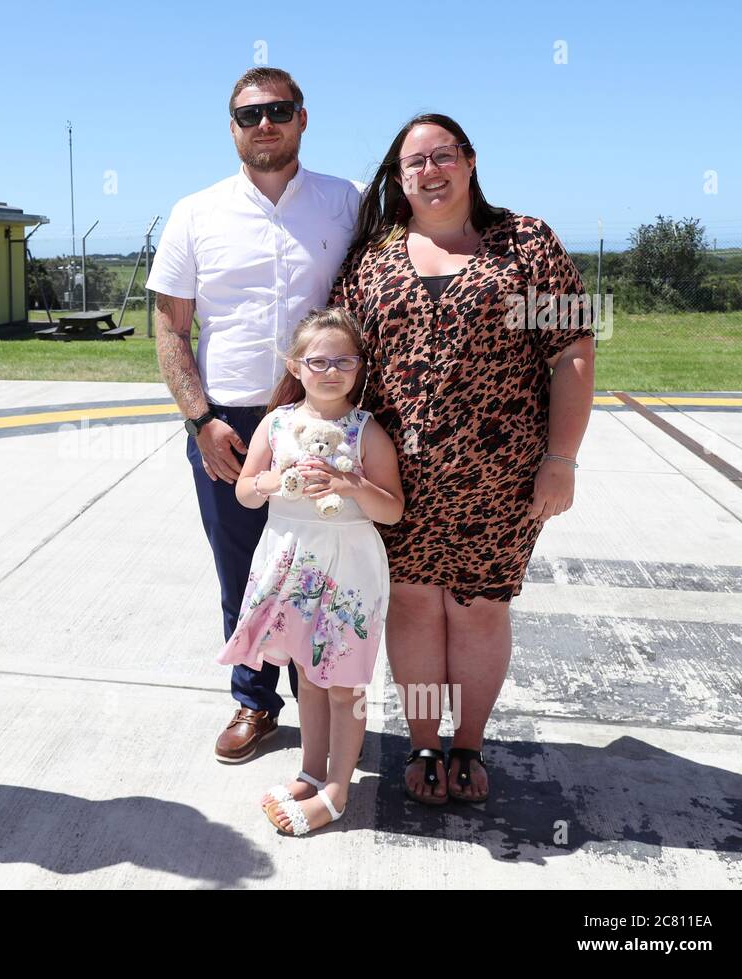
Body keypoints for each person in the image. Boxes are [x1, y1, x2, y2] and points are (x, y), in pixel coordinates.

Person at [329, 112, 596, 805]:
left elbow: (572, 349)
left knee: (479, 609)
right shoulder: (373, 258)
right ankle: (423, 744)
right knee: (414, 607)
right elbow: (335, 357)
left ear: (470, 161)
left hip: (502, 480)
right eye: (413, 163)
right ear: (398, 178)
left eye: (441, 156)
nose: (429, 171)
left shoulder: (527, 242)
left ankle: (470, 745)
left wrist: (562, 458)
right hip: (399, 482)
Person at [148, 67, 362, 763]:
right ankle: (253, 701)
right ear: (232, 129)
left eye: (278, 110)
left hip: (321, 413)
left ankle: (321, 701)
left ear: (303, 118)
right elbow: (171, 328)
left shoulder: (346, 202)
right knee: (242, 571)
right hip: (228, 422)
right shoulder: (195, 212)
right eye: (248, 115)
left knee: (319, 563)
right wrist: (199, 419)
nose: (263, 123)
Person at [217, 308, 403, 835]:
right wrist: (276, 481)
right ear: (295, 366)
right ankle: (309, 770)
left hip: (349, 568)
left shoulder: (366, 431)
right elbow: (245, 492)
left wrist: (351, 487)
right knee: (309, 675)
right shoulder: (276, 425)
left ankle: (338, 790)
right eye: (318, 360)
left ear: (360, 367)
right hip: (291, 562)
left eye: (344, 360)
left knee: (343, 682)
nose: (331, 370)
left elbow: (392, 509)